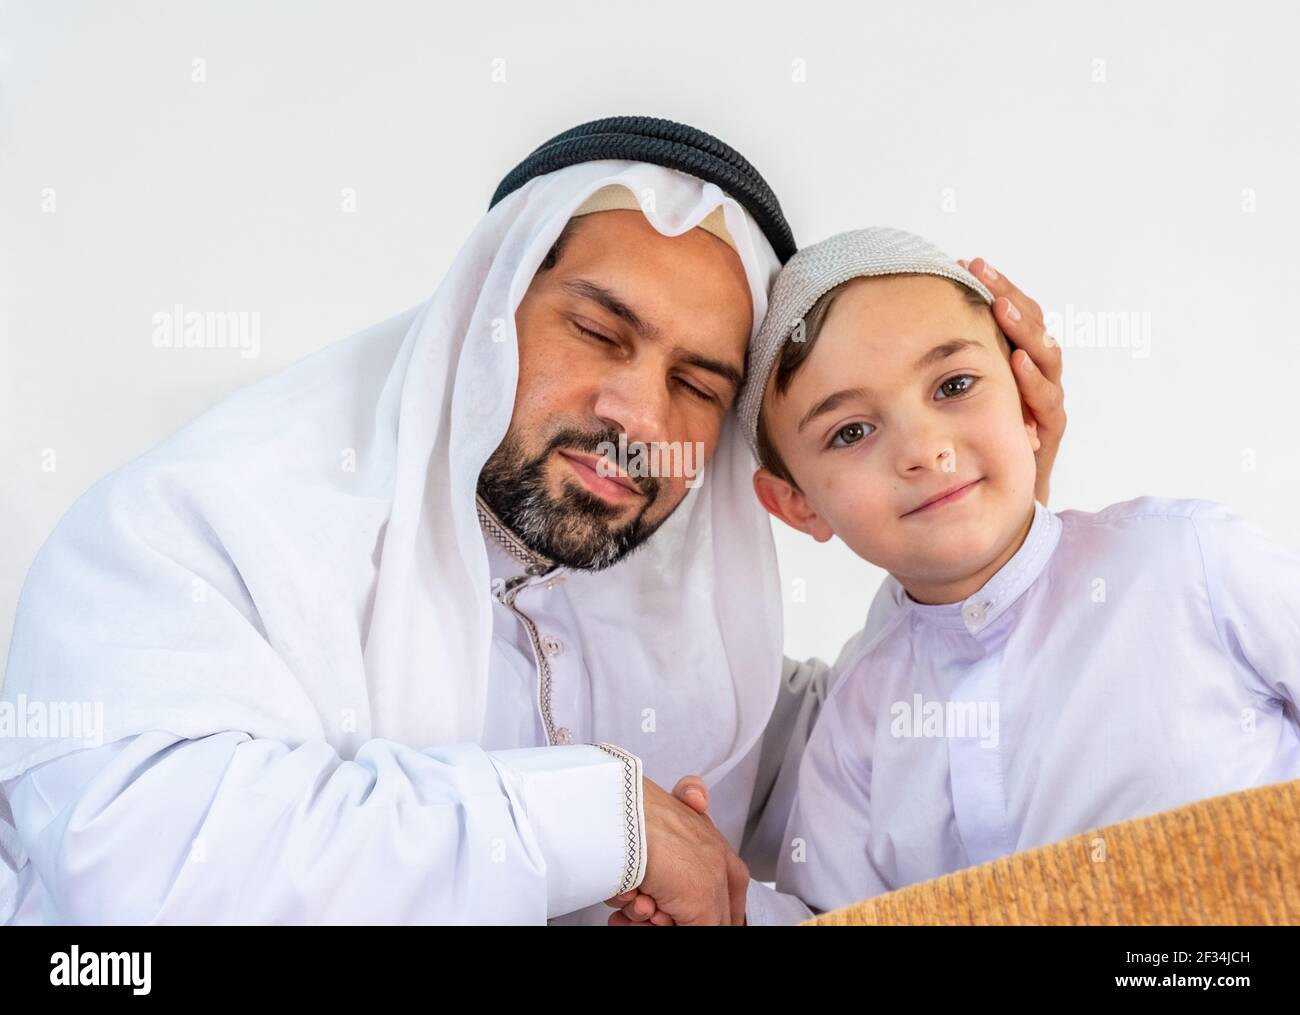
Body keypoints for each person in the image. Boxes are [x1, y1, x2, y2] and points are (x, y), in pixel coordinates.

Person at [0, 121, 1065, 925]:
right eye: (598, 331)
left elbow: (911, 796)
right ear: (482, 315)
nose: (639, 418)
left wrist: (984, 552)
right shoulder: (197, 527)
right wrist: (608, 824)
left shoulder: (710, 656)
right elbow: (135, 862)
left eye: (697, 382)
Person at [727, 226, 1300, 920]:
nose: (924, 448)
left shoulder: (1190, 562)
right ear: (797, 505)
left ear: (1030, 403)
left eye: (954, 384)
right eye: (851, 431)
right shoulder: (852, 728)